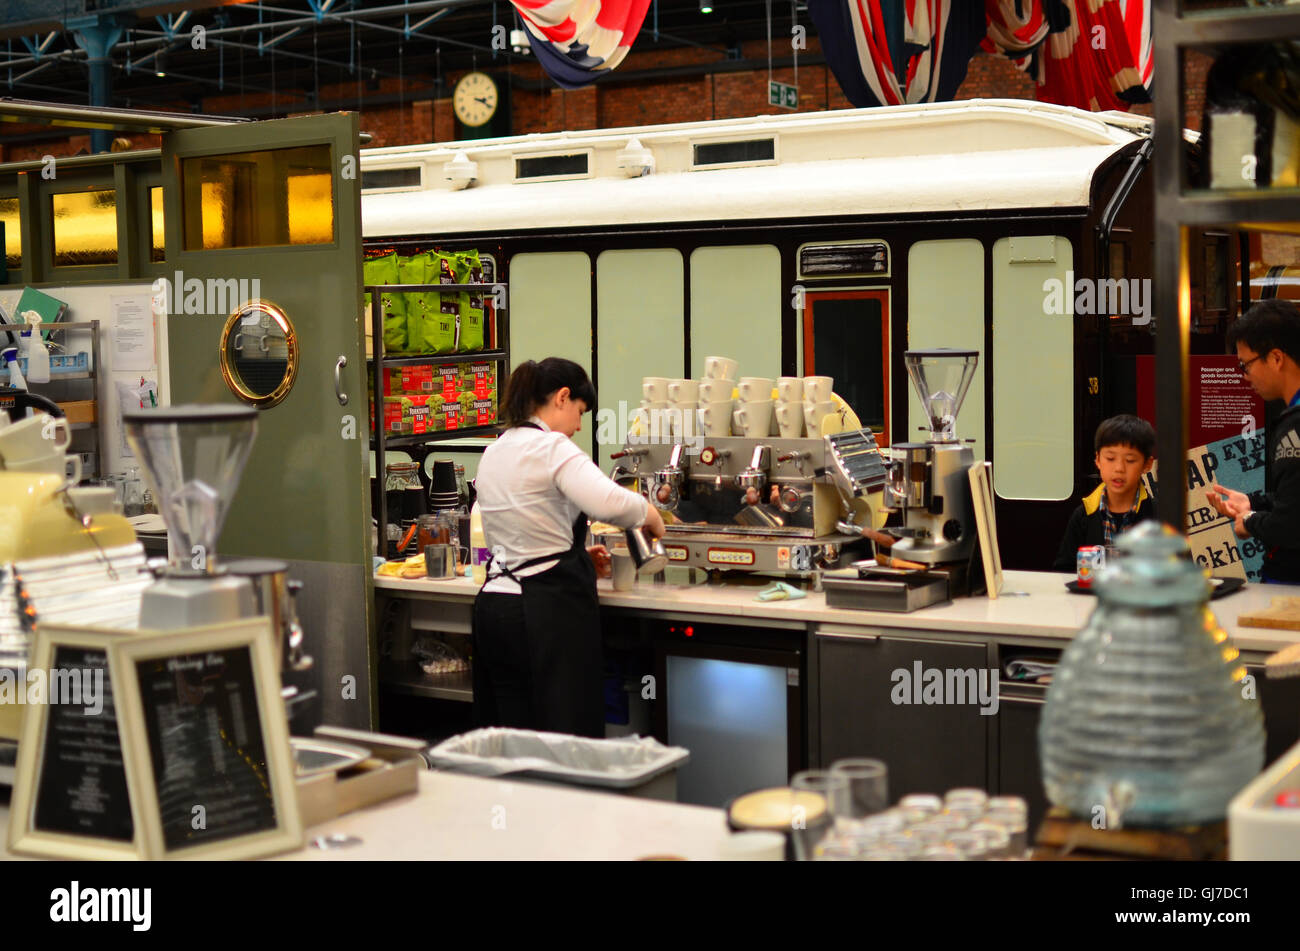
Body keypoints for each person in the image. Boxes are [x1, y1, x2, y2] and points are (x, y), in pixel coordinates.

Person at [471, 357, 665, 737]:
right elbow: (609, 503)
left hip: (494, 609)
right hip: (542, 617)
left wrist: (575, 559)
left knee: (509, 734)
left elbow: (526, 530)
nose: (578, 426)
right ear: (562, 397)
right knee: (561, 734)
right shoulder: (551, 447)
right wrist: (650, 514)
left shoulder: (496, 449)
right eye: (579, 411)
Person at [1206, 299, 1300, 583]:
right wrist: (1253, 501)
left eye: (1246, 364)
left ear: (1275, 358)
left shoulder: (1295, 426)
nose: (1245, 376)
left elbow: (1290, 525)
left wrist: (1248, 520)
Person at [1052, 414, 1157, 571]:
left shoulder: (1159, 516)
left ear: (1147, 465)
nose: (1119, 468)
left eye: (1130, 460)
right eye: (1110, 458)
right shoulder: (1083, 516)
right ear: (1098, 460)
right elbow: (1063, 570)